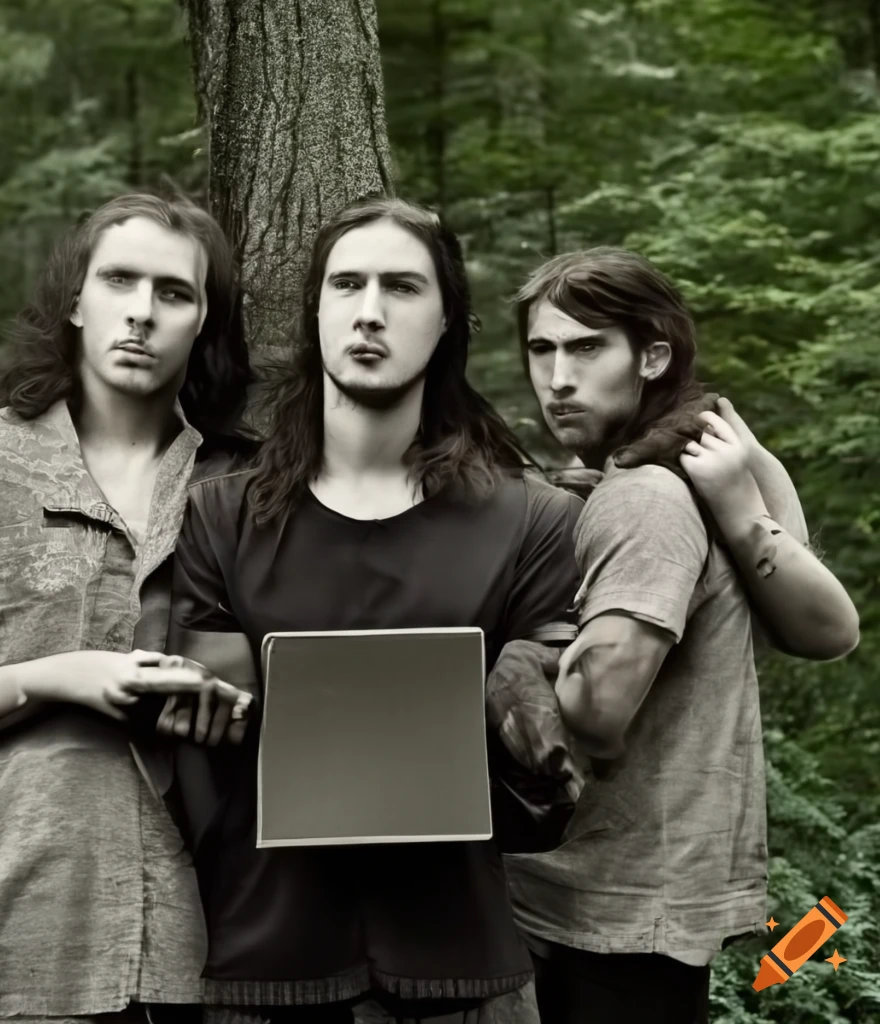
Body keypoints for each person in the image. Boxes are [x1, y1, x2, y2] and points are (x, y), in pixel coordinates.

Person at [153, 196, 584, 1024]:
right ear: (314, 312)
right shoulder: (221, 515)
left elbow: (555, 761)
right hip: (266, 967)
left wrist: (525, 693)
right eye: (346, 285)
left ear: (448, 318)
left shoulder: (533, 520)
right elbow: (222, 735)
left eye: (403, 288)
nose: (371, 312)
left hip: (466, 968)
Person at [0, 191, 256, 1023]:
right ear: (75, 299)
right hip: (31, 938)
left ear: (205, 321)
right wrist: (57, 677)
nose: (142, 313)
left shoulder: (249, 485)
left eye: (174, 293)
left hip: (234, 941)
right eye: (119, 280)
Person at [502, 247, 859, 1024]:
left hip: (605, 911)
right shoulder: (651, 476)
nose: (558, 376)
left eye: (588, 346)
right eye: (542, 348)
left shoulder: (647, 498)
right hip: (634, 899)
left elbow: (597, 708)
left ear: (652, 356)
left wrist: (519, 658)